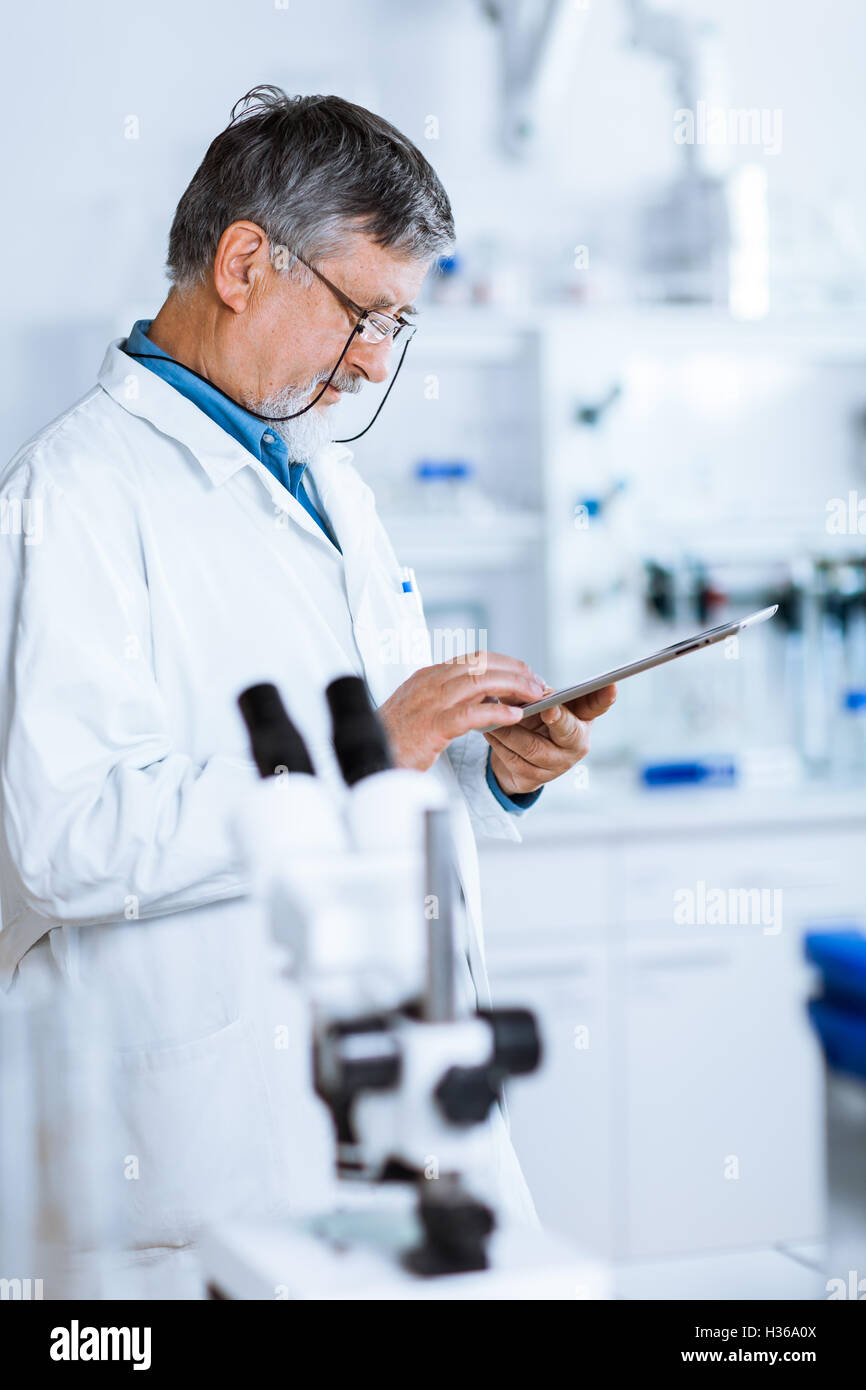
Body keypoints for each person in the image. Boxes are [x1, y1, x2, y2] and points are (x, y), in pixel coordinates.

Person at [0, 86, 615, 1296]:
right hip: (212, 1144)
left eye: (397, 326)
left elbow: (376, 761)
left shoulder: (328, 482)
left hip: (401, 1100)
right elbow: (61, 843)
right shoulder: (73, 497)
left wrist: (493, 765)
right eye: (363, 314)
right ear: (243, 263)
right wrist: (369, 751)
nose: (375, 360)